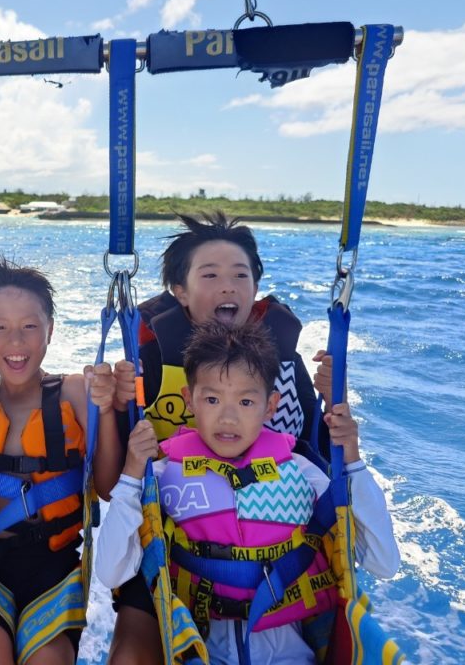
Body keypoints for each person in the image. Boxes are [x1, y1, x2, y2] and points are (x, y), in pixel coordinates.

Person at [96, 321, 400, 665]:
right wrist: (133, 476)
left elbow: (383, 562)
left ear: (270, 406)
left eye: (245, 401)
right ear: (190, 400)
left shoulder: (300, 472)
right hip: (204, 650)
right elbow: (110, 571)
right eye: (212, 399)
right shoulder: (164, 476)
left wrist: (353, 462)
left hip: (293, 652)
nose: (228, 417)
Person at [108, 211, 334, 662]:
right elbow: (114, 484)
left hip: (276, 556)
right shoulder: (149, 367)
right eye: (209, 275)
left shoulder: (282, 372)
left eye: (240, 275)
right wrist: (111, 408)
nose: (228, 286)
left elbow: (320, 467)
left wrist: (331, 408)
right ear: (180, 290)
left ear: (254, 287)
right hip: (170, 549)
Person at [0, 258, 124, 665]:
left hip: (55, 568)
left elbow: (107, 485)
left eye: (29, 326)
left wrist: (104, 409)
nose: (16, 341)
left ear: (50, 330)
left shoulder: (76, 393)